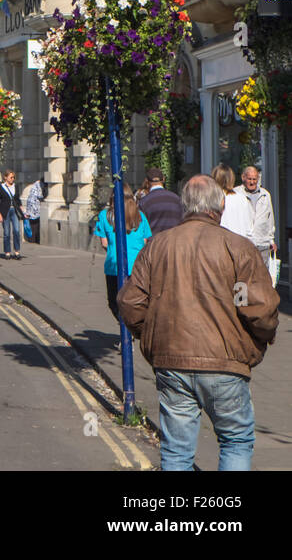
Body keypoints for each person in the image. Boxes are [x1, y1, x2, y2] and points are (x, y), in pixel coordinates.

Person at [119, 175, 279, 471]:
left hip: (172, 361)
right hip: (226, 363)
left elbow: (130, 303)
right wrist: (261, 338)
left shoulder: (157, 246)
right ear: (220, 206)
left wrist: (152, 333)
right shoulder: (237, 249)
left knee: (177, 452)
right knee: (235, 441)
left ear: (185, 206)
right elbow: (255, 307)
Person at [91, 186, 153, 323]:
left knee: (115, 303)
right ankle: (132, 330)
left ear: (113, 198)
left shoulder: (105, 216)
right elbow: (144, 241)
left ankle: (126, 330)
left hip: (115, 266)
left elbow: (104, 243)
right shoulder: (140, 216)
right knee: (135, 303)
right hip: (138, 267)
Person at [240, 166, 276, 276]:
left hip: (262, 242)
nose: (252, 182)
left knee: (262, 276)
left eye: (254, 179)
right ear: (243, 178)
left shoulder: (265, 195)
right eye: (249, 179)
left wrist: (271, 241)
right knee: (245, 277)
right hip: (244, 243)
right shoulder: (237, 194)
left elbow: (270, 219)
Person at [212, 164, 255, 244]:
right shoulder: (242, 198)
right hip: (240, 246)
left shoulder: (212, 200)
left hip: (221, 245)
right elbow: (249, 229)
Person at [137, 167, 182, 233]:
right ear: (163, 179)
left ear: (147, 181)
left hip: (154, 241)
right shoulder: (177, 199)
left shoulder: (144, 202)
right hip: (174, 241)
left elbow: (142, 229)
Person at [0, 170, 22, 260]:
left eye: (13, 177)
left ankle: (17, 251)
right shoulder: (0, 187)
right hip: (5, 212)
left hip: (14, 210)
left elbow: (17, 199)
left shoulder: (16, 187)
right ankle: (7, 252)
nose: (12, 179)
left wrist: (22, 210)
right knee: (6, 233)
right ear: (5, 177)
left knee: (17, 231)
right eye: (11, 177)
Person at [21, 175, 43, 245]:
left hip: (30, 204)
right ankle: (34, 238)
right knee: (35, 222)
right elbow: (40, 195)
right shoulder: (39, 184)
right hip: (35, 205)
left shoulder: (35, 184)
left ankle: (31, 238)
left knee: (31, 221)